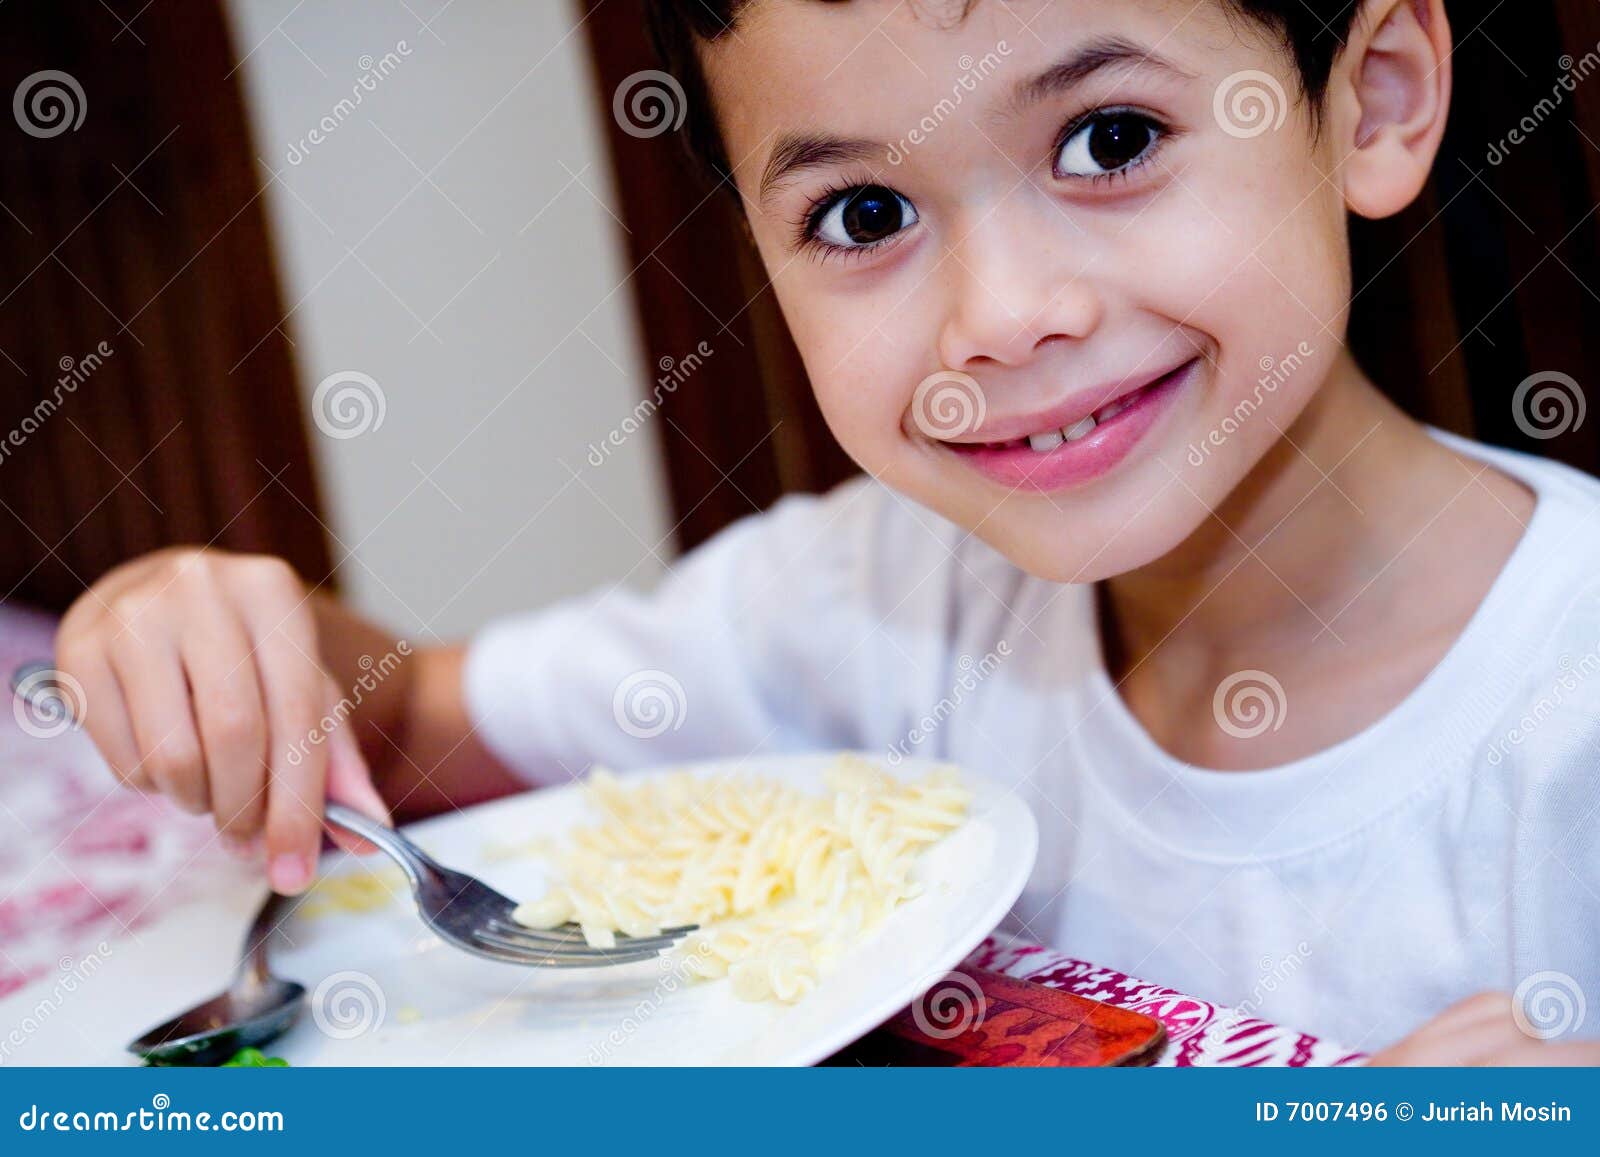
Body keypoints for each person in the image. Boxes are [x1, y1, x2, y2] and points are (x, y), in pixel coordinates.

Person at [55, 0, 1599, 1063]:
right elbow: (401, 725)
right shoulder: (873, 598)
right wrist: (224, 629)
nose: (1001, 318)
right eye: (865, 216)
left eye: (1111, 139)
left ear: (1374, 98)